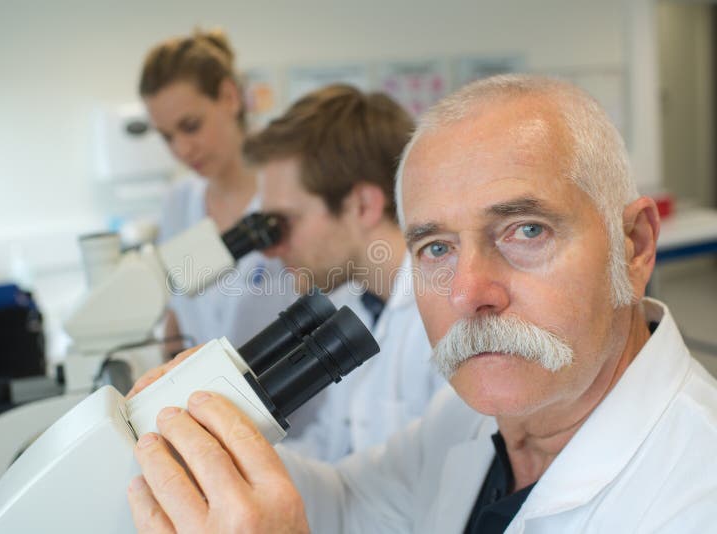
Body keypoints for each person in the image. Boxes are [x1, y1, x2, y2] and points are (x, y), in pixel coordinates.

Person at [125, 75, 717, 533]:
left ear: (635, 245)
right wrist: (212, 438)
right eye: (436, 248)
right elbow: (350, 503)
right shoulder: (471, 418)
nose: (467, 293)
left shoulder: (696, 493)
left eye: (526, 231)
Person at [241, 84, 446, 460]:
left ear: (363, 205)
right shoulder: (357, 303)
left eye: (285, 222)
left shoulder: (445, 320)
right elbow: (330, 449)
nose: (273, 248)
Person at [139, 29, 294, 349]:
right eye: (167, 136)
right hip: (203, 381)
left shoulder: (290, 193)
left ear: (229, 97)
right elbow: (177, 314)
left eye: (191, 126)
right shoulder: (178, 203)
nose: (182, 149)